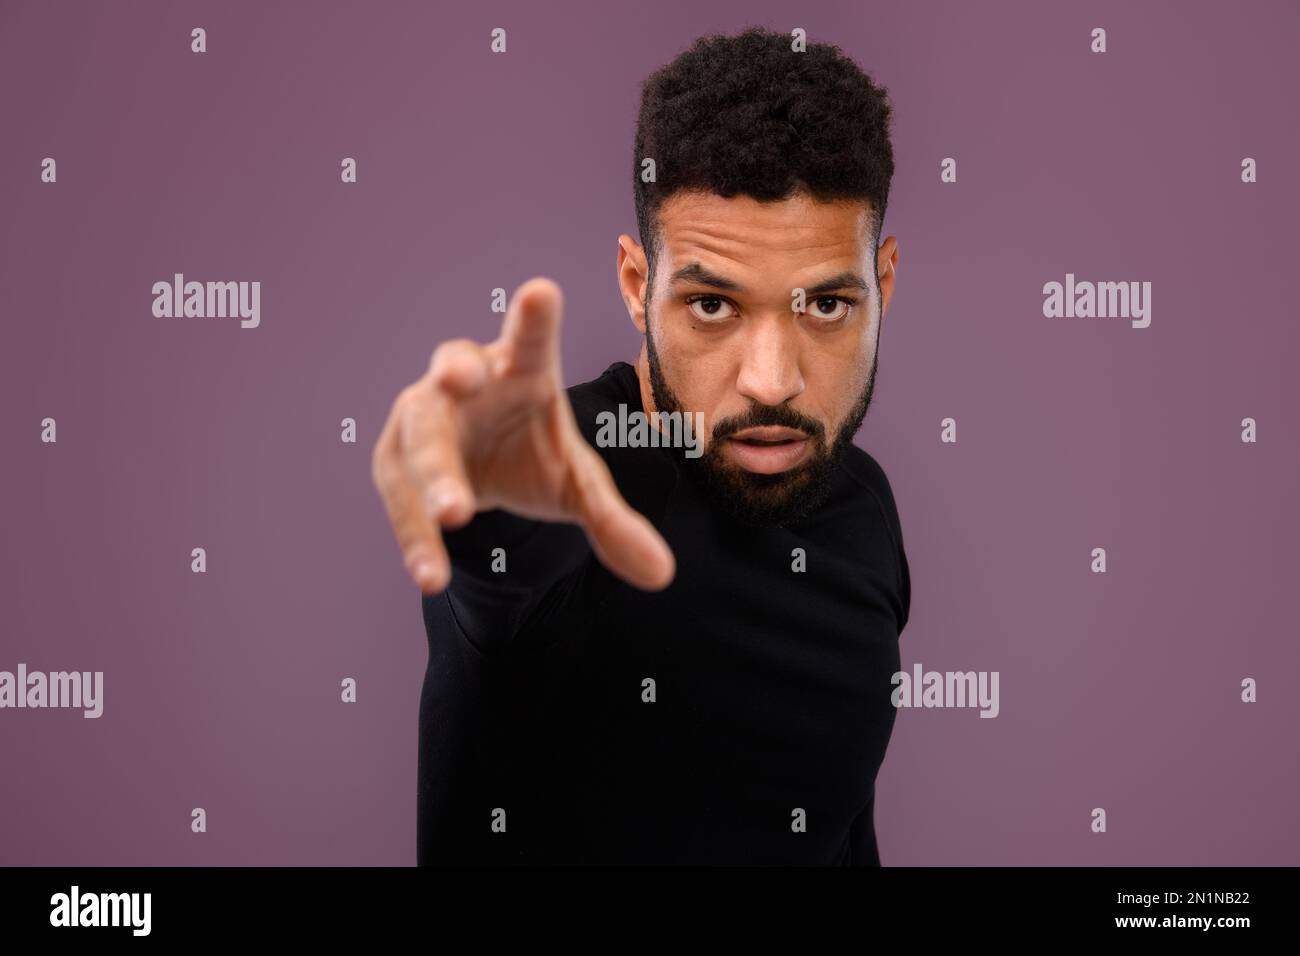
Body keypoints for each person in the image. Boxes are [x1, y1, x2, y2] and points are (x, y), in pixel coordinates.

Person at [371, 26, 910, 865]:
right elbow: (496, 540)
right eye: (711, 306)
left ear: (881, 287)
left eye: (825, 308)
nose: (771, 382)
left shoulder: (863, 507)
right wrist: (465, 465)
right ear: (636, 285)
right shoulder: (565, 486)